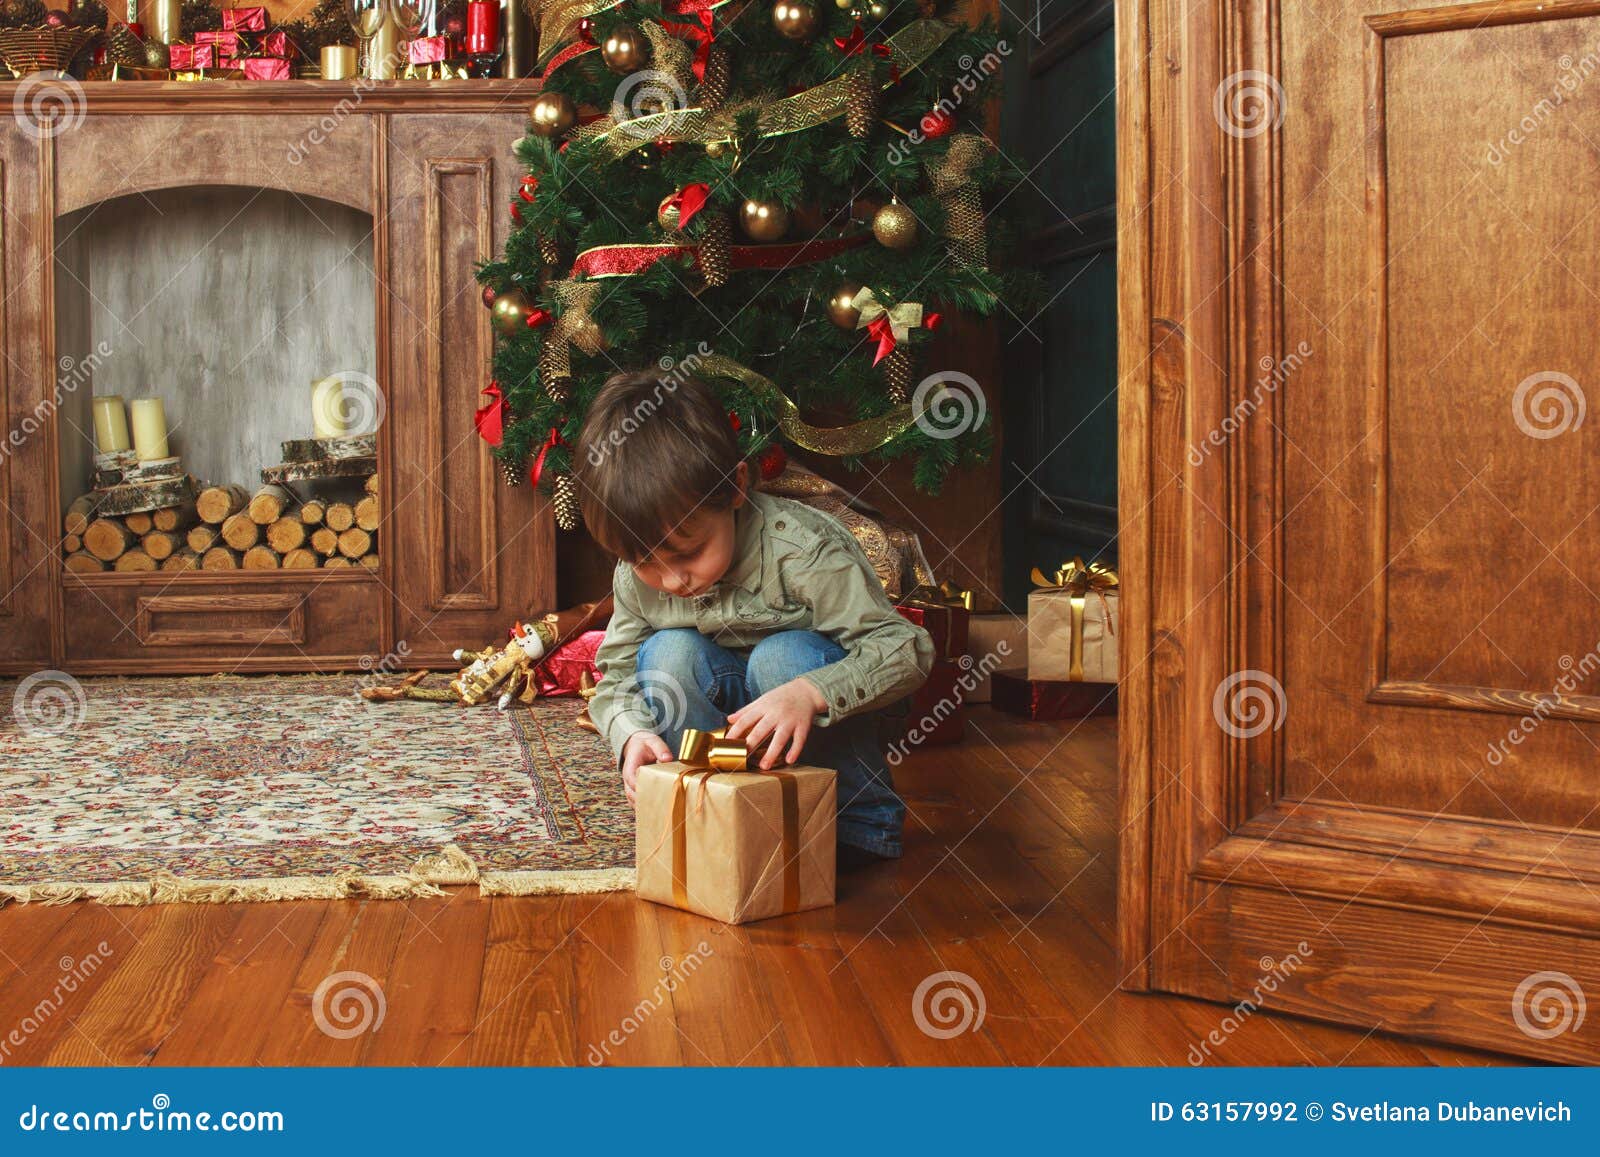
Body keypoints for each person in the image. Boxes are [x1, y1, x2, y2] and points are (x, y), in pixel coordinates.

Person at [577, 368, 933, 859]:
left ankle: (857, 820)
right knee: (667, 653)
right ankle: (712, 811)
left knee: (782, 657)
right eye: (645, 563)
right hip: (724, 733)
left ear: (736, 486)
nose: (673, 581)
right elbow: (616, 677)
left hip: (807, 712)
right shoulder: (635, 575)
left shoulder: (803, 552)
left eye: (688, 553)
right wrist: (631, 733)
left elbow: (905, 649)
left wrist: (812, 693)